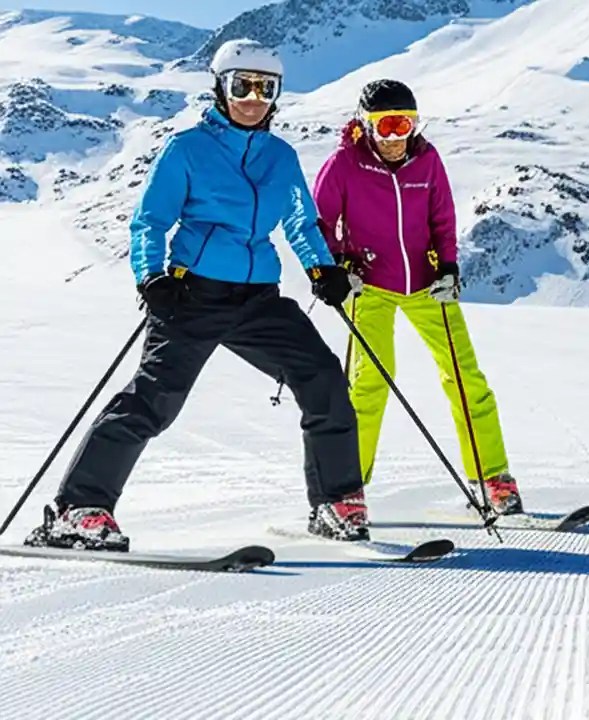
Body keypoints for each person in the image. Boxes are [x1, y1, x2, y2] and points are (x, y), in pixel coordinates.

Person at [24, 39, 369, 552]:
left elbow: (299, 219)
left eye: (264, 88)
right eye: (241, 86)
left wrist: (323, 269)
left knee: (322, 379)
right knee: (154, 399)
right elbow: (150, 221)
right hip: (192, 296)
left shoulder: (281, 156)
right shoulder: (187, 149)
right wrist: (151, 278)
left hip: (258, 298)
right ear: (220, 87)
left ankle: (336, 503)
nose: (252, 98)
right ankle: (79, 510)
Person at [312, 79, 526, 515]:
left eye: (405, 124)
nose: (396, 136)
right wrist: (337, 267)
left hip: (428, 285)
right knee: (369, 384)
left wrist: (448, 266)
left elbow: (442, 217)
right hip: (367, 286)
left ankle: (492, 478)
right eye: (386, 125)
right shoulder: (344, 165)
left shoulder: (426, 161)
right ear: (365, 125)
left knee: (466, 378)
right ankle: (349, 489)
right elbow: (321, 223)